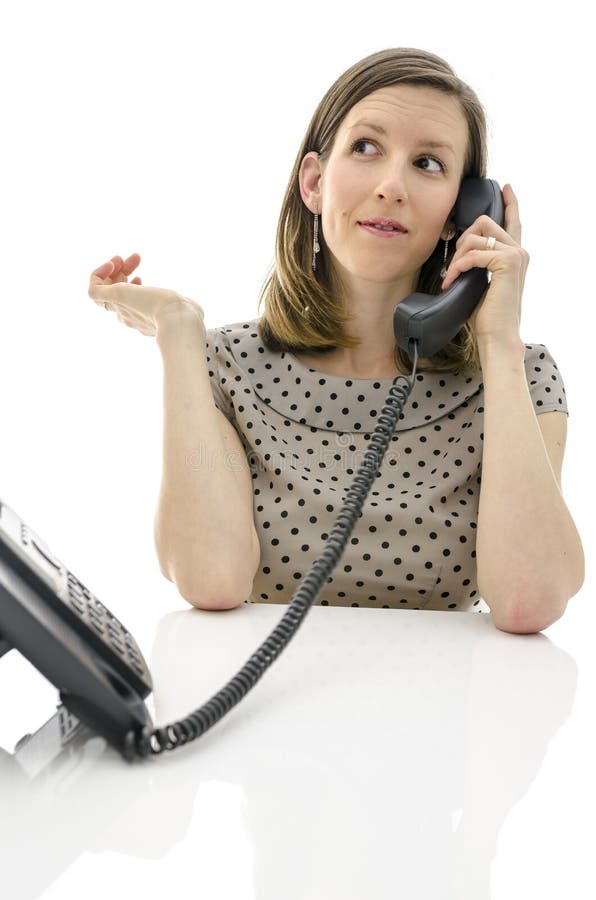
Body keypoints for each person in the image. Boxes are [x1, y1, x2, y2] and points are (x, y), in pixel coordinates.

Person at [88, 47, 584, 633]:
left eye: (428, 163)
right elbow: (211, 577)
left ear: (463, 212)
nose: (391, 186)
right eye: (367, 148)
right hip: (267, 719)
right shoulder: (225, 366)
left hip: (453, 721)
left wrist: (499, 340)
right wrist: (178, 333)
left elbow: (530, 600)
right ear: (315, 182)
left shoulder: (520, 379)